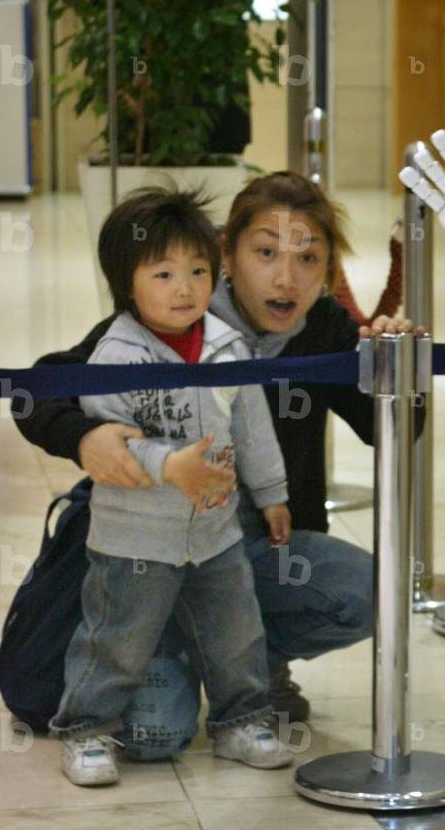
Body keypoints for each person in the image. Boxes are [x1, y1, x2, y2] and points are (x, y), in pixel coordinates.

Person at [12, 171, 416, 759]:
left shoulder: (324, 327)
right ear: (226, 254)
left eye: (309, 258)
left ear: (329, 269)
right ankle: (165, 648)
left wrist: (395, 367)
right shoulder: (163, 317)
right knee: (154, 734)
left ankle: (248, 668)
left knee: (367, 590)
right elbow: (36, 390)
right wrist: (85, 437)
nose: (286, 277)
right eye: (266, 253)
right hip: (147, 544)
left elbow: (395, 432)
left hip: (241, 543)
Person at [51, 187, 294, 785]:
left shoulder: (226, 344)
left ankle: (243, 720)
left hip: (215, 530)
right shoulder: (114, 354)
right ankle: (84, 729)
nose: (184, 288)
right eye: (163, 273)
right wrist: (171, 466)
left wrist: (272, 492)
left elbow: (251, 424)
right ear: (125, 282)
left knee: (237, 632)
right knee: (117, 639)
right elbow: (115, 441)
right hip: (135, 540)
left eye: (197, 271)